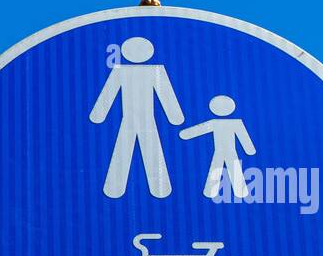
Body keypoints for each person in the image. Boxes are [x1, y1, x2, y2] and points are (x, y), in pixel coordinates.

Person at [89, 36, 185, 198]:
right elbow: (108, 93)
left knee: (129, 149)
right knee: (141, 149)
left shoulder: (136, 70)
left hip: (139, 120)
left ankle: (150, 189)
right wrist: (175, 117)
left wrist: (99, 115)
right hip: (140, 120)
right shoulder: (143, 71)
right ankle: (155, 189)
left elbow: (165, 94)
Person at [179, 95, 256, 199]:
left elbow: (195, 131)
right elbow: (244, 138)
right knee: (227, 167)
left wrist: (249, 149)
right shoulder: (231, 123)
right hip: (224, 151)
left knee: (219, 167)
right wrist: (249, 149)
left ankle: (217, 191)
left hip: (224, 151)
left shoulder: (222, 123)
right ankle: (233, 190)